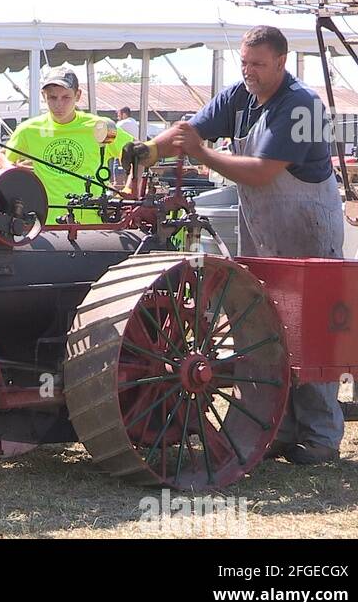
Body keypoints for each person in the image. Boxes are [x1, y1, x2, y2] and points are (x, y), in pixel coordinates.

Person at [125, 25, 345, 465]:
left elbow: (263, 171)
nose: (249, 72)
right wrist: (147, 151)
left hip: (308, 228)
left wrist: (202, 155)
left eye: (258, 65)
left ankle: (320, 436)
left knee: (311, 330)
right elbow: (190, 130)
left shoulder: (302, 106)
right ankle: (276, 427)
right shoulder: (240, 97)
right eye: (244, 63)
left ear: (281, 63)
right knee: (261, 325)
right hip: (264, 225)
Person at [0, 65, 135, 223]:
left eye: (66, 97)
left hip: (94, 225)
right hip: (44, 225)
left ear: (78, 95)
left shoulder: (100, 126)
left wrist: (129, 189)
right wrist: (11, 169)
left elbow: (139, 154)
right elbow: (2, 156)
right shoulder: (28, 130)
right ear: (43, 96)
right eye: (52, 98)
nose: (58, 104)